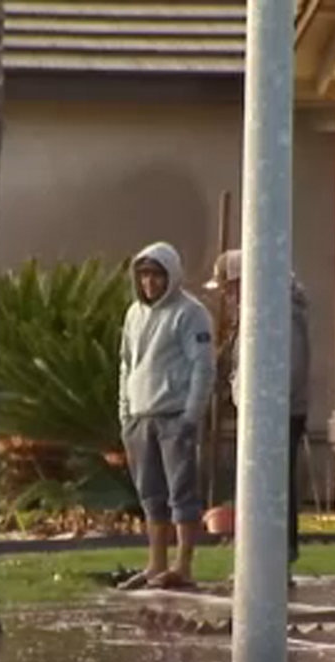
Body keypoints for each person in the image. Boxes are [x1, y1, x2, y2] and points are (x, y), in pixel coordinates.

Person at [117, 241, 216, 590]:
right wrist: (125, 413)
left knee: (181, 493)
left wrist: (192, 414)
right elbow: (126, 364)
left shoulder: (190, 313)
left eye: (156, 276)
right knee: (150, 495)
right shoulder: (133, 314)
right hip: (140, 418)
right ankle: (155, 564)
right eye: (144, 276)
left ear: (170, 276)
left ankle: (182, 565)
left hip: (175, 416)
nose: (149, 283)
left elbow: (202, 367)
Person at [208, 250, 311, 568]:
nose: (225, 296)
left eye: (228, 287)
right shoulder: (253, 313)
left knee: (276, 487)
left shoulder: (282, 313)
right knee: (258, 487)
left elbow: (290, 368)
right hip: (258, 414)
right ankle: (259, 557)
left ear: (244, 282)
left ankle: (280, 557)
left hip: (279, 415)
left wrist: (266, 405)